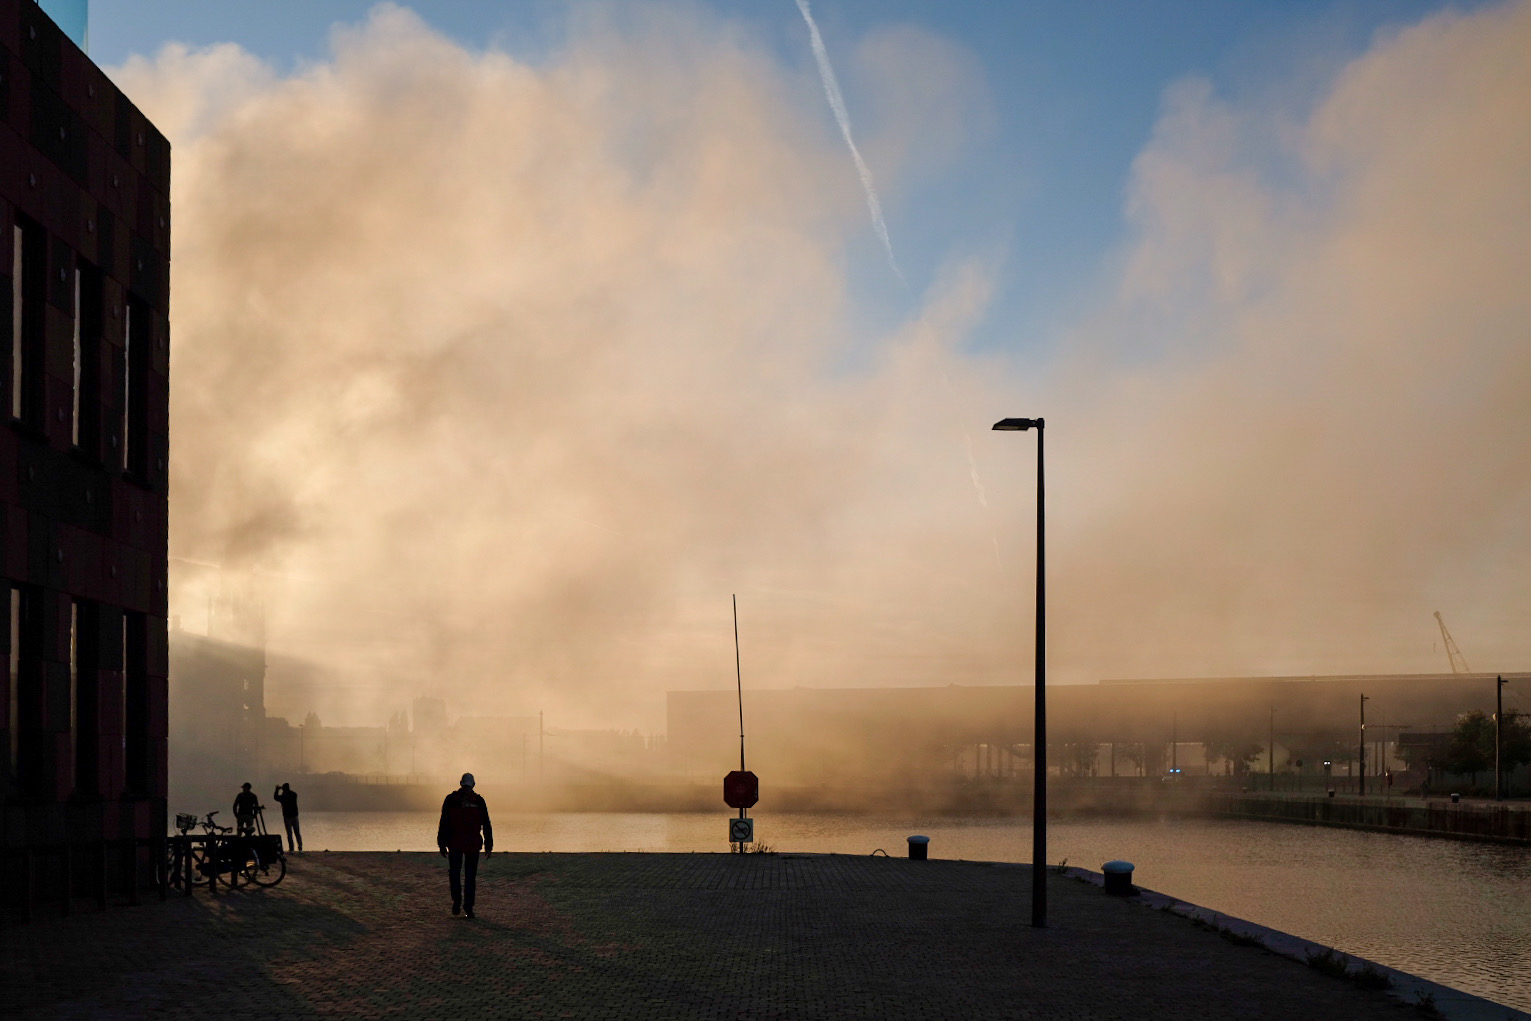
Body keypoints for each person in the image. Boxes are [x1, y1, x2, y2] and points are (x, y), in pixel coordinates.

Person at [437, 772, 493, 918]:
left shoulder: (451, 799)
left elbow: (444, 822)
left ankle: (457, 901)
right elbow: (486, 824)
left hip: (455, 843)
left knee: (455, 873)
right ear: (473, 784)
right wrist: (488, 845)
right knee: (470, 876)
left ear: (461, 783)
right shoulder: (478, 801)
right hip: (472, 844)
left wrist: (441, 843)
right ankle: (468, 907)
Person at [273, 783, 302, 853]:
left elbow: (276, 797)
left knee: (289, 833)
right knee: (297, 832)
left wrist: (277, 790)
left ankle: (291, 848)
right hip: (294, 815)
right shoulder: (294, 794)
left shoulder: (283, 796)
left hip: (287, 816)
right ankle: (300, 847)